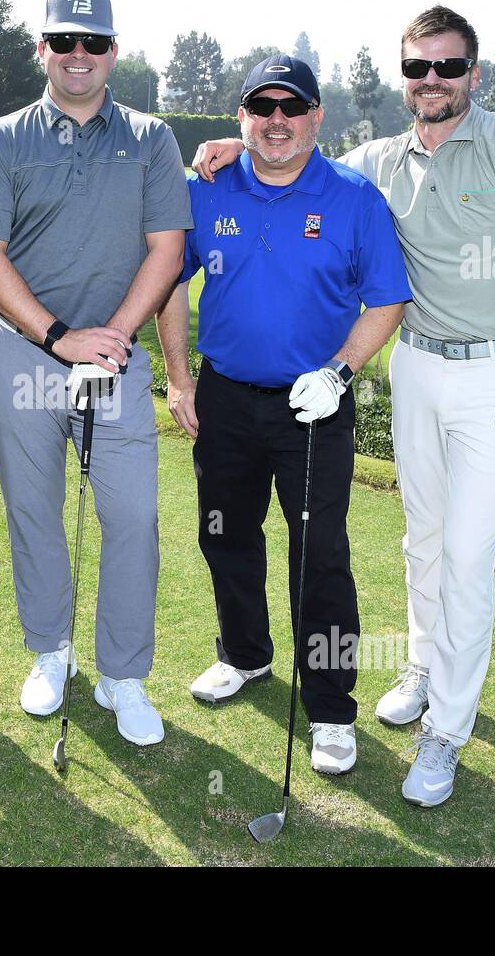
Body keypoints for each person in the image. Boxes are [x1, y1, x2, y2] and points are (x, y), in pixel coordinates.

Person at [193, 6, 495, 805]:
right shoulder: (381, 158)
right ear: (404, 78)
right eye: (417, 68)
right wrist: (232, 145)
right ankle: (425, 668)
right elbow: (298, 156)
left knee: (468, 561)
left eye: (448, 66)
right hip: (415, 372)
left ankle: (447, 735)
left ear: (474, 71)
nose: (432, 81)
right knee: (423, 543)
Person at [158, 54, 410, 776]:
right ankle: (244, 655)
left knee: (319, 554)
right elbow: (170, 281)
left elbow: (388, 296)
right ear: (241, 118)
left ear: (315, 117)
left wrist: (339, 373)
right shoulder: (204, 187)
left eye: (289, 108)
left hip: (315, 404)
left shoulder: (354, 197)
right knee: (226, 535)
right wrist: (179, 380)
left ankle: (330, 706)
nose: (275, 121)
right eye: (260, 108)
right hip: (227, 396)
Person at [0, 0, 191, 747]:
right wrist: (61, 337)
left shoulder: (152, 138)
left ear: (114, 51)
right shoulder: (4, 137)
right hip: (24, 354)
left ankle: (123, 675)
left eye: (93, 44)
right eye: (64, 42)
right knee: (35, 513)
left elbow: (167, 249)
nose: (78, 56)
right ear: (43, 50)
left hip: (114, 364)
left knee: (132, 518)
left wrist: (113, 338)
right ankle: (50, 652)